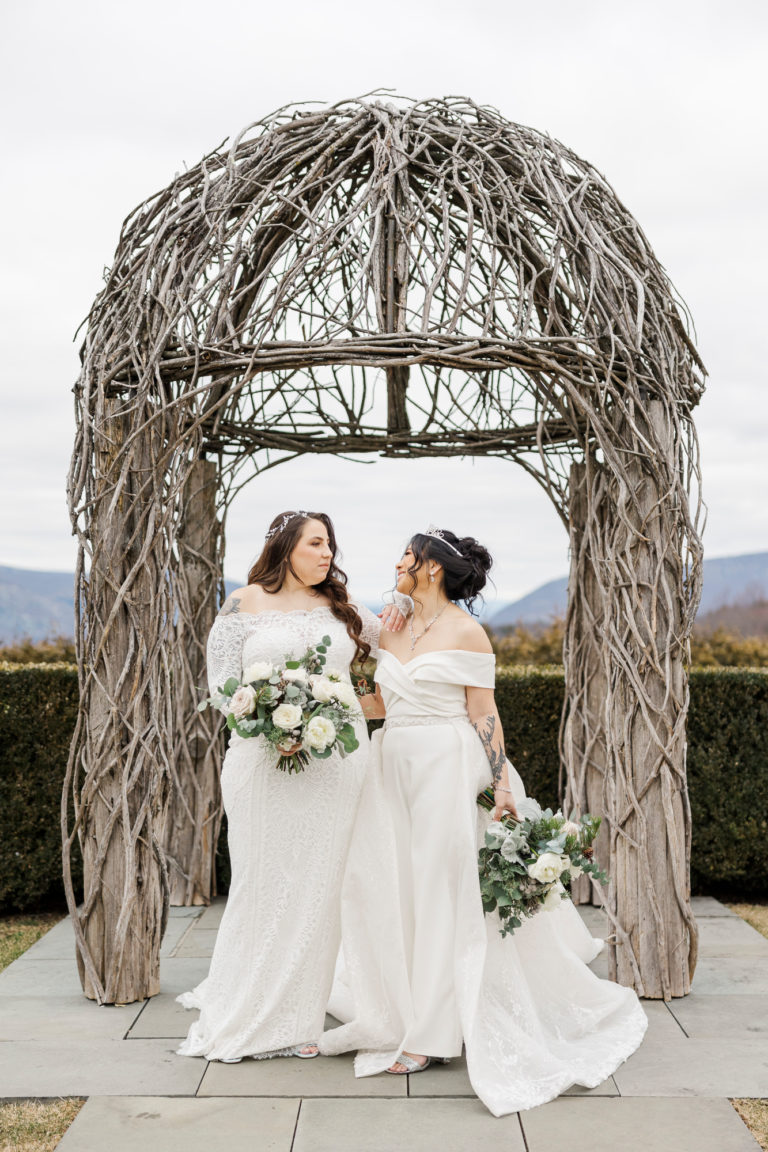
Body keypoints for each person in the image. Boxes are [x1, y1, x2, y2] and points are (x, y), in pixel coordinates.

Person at [320, 526, 648, 1116]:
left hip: (447, 766)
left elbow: (484, 713)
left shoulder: (467, 631)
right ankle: (406, 1004)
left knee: (442, 891)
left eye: (406, 555)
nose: (396, 562)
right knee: (396, 891)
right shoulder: (392, 626)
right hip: (390, 764)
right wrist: (347, 680)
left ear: (432, 568)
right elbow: (376, 705)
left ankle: (432, 1036)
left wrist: (499, 783)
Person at [177, 510, 403, 1063]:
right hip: (260, 761)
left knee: (320, 886)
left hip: (337, 763)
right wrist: (268, 721)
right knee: (261, 880)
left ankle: (299, 1017)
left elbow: (401, 649)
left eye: (331, 545)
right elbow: (223, 685)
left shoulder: (343, 609)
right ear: (286, 547)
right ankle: (248, 1004)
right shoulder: (243, 602)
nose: (328, 554)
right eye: (316, 543)